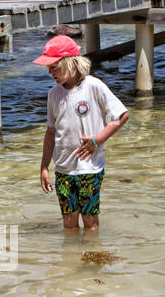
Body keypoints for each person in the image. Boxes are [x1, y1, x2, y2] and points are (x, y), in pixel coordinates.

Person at [36, 36, 129, 233]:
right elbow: (51, 132)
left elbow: (122, 115)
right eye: (49, 67)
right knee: (68, 223)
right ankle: (71, 259)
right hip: (63, 169)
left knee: (90, 221)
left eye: (54, 67)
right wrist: (44, 166)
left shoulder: (94, 86)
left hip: (90, 168)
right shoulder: (54, 94)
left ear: (71, 63)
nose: (49, 72)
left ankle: (91, 257)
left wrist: (98, 140)